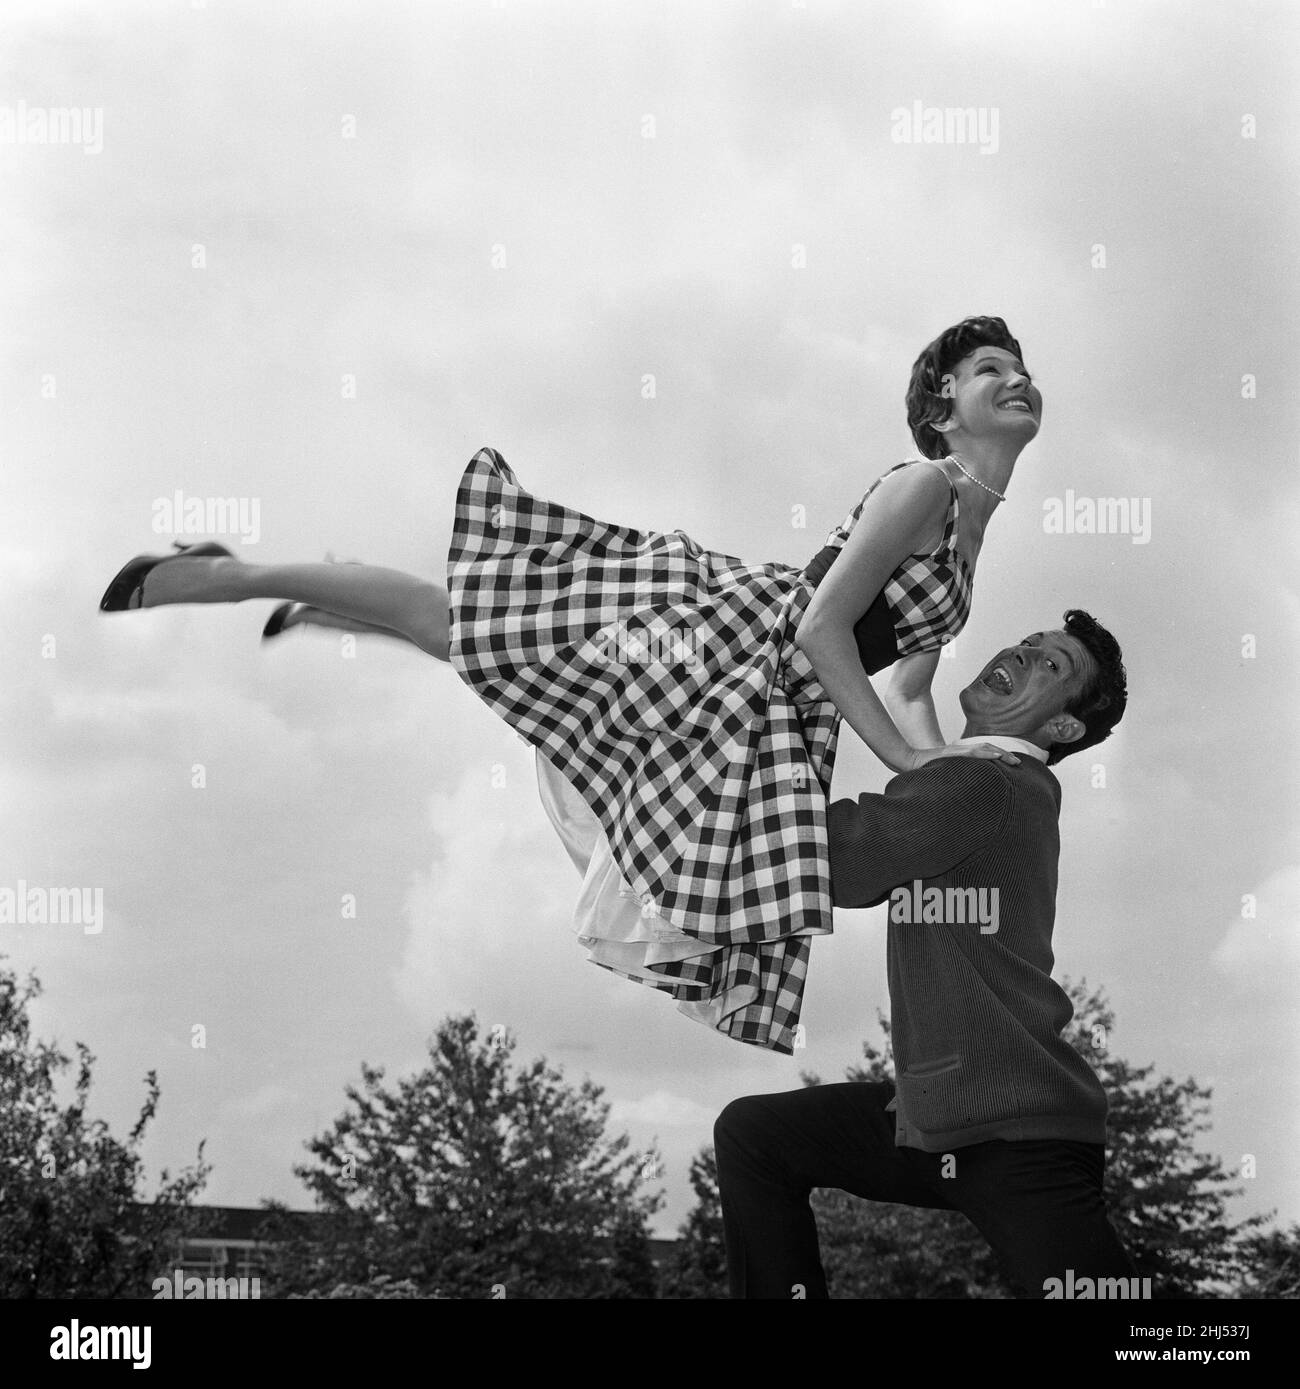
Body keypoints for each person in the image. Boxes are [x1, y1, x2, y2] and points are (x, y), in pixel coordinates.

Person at [99, 316, 1039, 1054]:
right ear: (942, 406)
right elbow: (822, 627)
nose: (1015, 375)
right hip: (727, 642)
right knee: (470, 630)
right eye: (989, 365)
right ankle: (232, 575)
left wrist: (953, 765)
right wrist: (908, 764)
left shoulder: (970, 543)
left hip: (763, 705)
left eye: (1020, 363)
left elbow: (912, 686)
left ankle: (338, 604)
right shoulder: (922, 487)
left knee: (471, 641)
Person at [713, 611, 1134, 1299]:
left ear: (1063, 728)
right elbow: (910, 697)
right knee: (757, 1134)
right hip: (934, 1117)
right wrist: (934, 589)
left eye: (1049, 666)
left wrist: (702, 780)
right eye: (1027, 643)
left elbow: (831, 859)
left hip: (1015, 1129)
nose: (1020, 654)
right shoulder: (986, 778)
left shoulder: (981, 784)